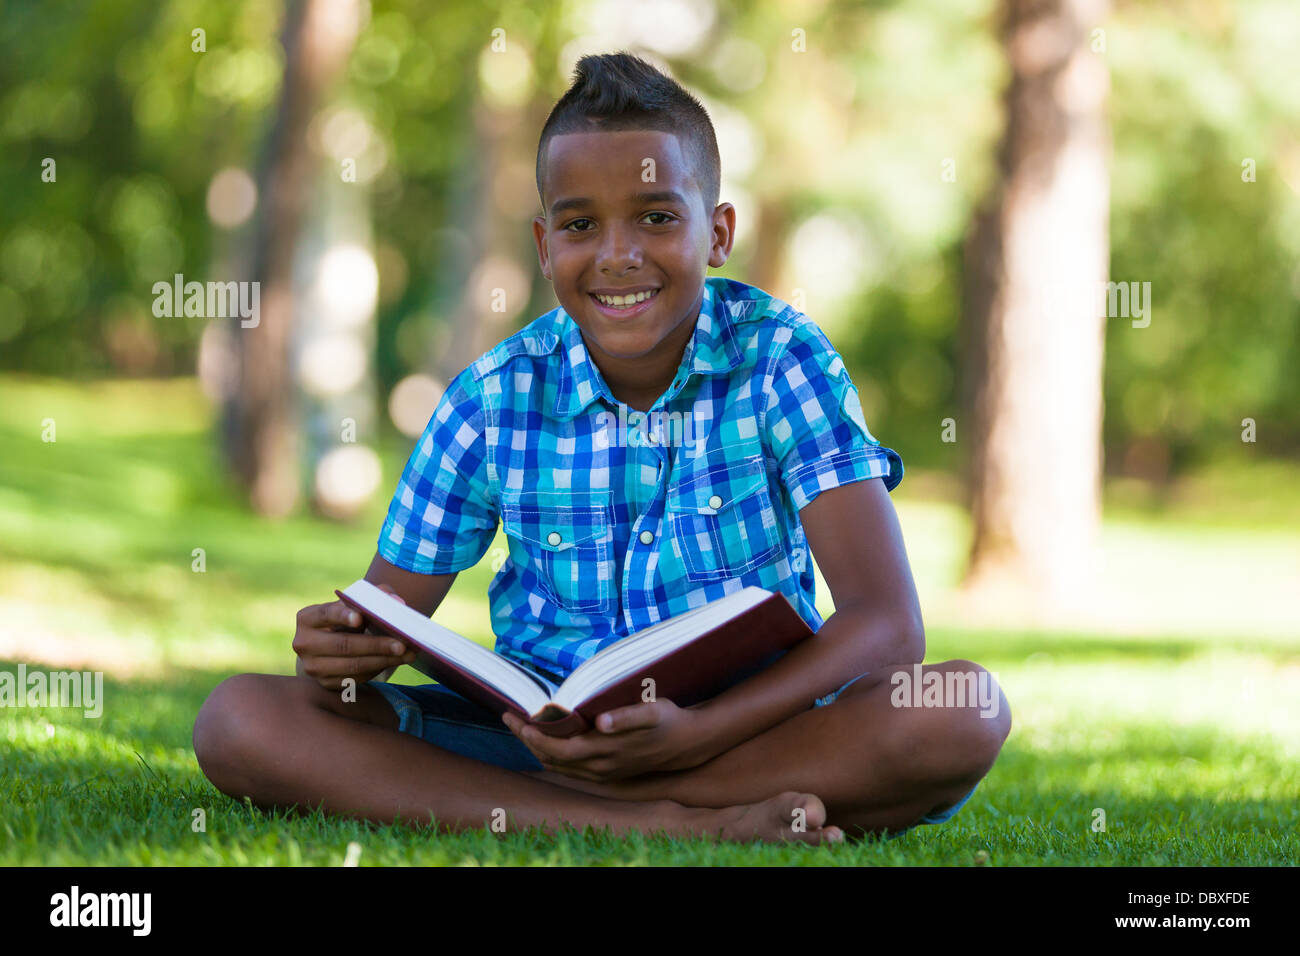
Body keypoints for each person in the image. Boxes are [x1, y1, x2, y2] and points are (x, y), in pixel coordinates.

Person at [193, 51, 1011, 845]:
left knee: (961, 706)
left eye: (657, 217)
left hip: (746, 734)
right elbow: (382, 626)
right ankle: (651, 821)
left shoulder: (779, 358)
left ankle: (572, 805)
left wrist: (693, 735)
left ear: (717, 233)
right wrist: (338, 652)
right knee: (239, 718)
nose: (618, 254)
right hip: (537, 739)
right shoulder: (493, 397)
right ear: (547, 248)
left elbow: (888, 626)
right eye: (581, 224)